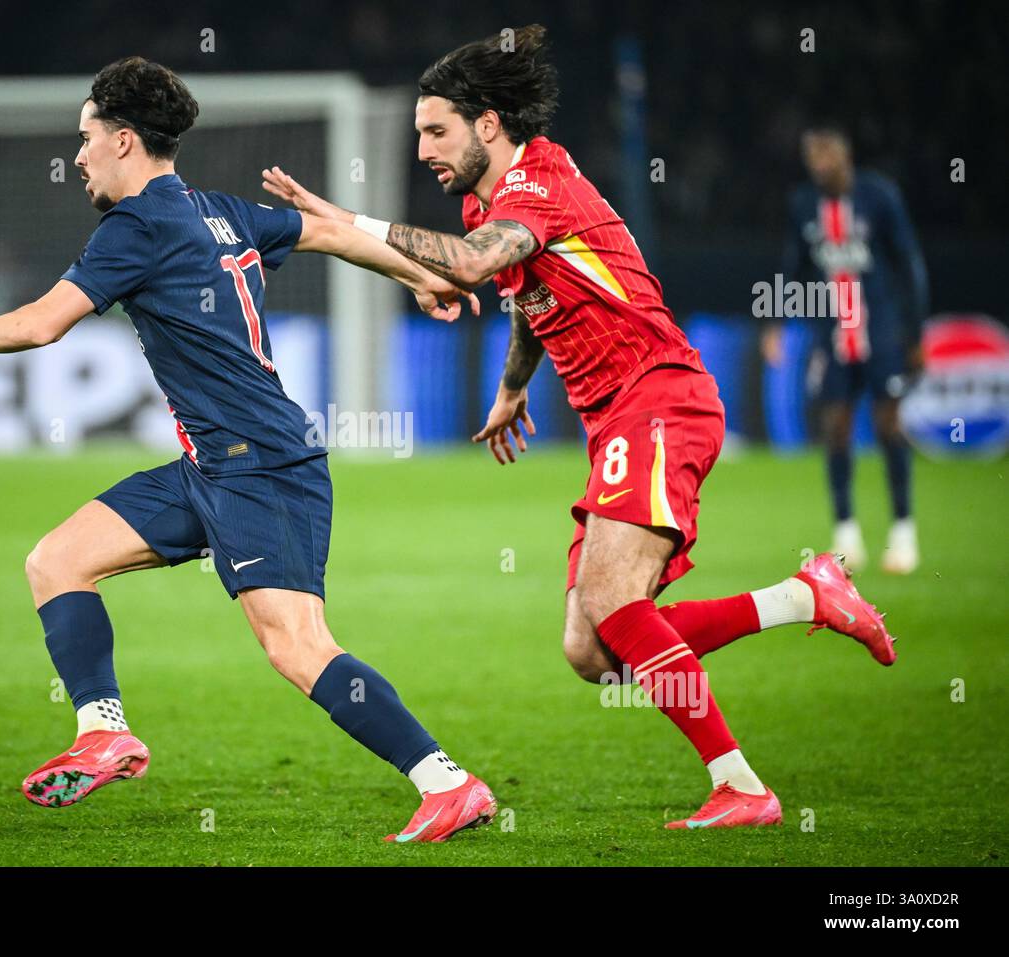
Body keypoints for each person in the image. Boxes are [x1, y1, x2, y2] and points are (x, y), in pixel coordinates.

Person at [263, 26, 896, 829]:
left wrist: (348, 218)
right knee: (593, 649)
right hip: (616, 420)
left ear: (487, 123)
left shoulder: (540, 184)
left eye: (435, 130)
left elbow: (465, 264)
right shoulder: (488, 199)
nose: (422, 147)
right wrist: (512, 387)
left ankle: (742, 785)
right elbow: (529, 292)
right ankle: (804, 596)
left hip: (658, 394)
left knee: (609, 595)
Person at [0, 55, 497, 844]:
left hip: (261, 463)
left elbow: (39, 323)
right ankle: (103, 730)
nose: (79, 155)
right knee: (57, 561)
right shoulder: (219, 212)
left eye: (87, 137)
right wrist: (416, 276)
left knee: (298, 646)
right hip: (211, 463)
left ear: (125, 140)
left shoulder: (135, 227)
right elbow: (329, 232)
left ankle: (445, 781)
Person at [764, 126, 929, 573]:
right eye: (811, 156)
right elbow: (792, 264)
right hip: (830, 335)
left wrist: (915, 333)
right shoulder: (803, 205)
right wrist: (774, 323)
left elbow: (908, 262)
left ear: (845, 154)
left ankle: (902, 530)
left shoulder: (879, 197)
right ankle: (846, 533)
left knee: (888, 424)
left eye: (826, 154)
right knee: (834, 426)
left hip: (880, 333)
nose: (819, 164)